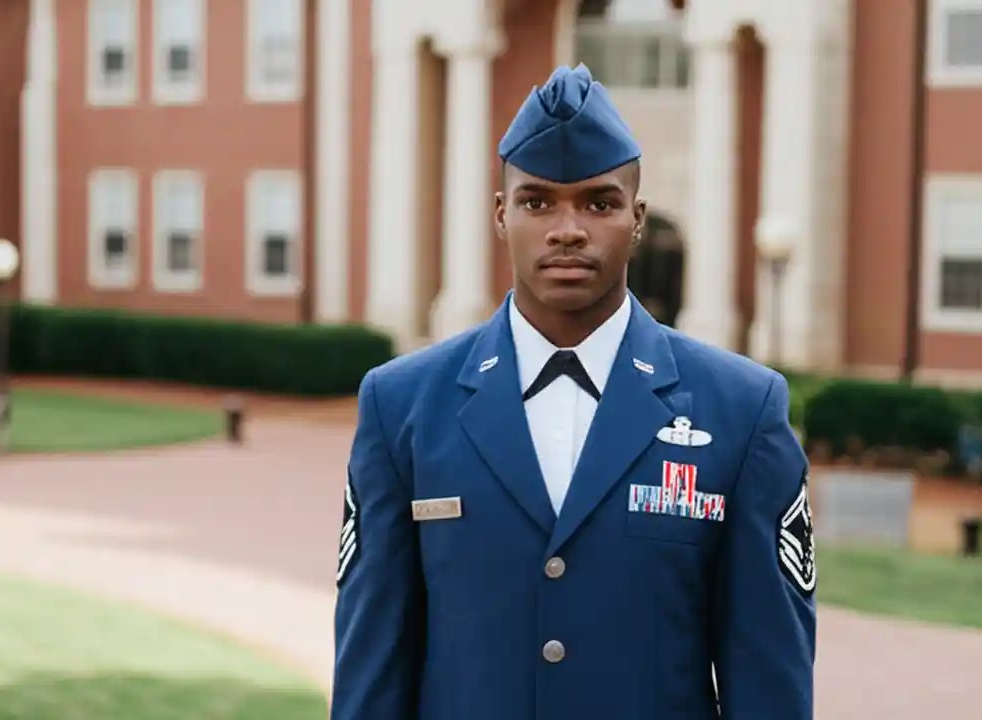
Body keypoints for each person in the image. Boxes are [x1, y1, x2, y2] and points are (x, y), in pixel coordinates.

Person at [331, 63, 816, 720]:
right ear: (502, 216)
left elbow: (770, 680)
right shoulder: (402, 407)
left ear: (637, 218)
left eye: (599, 202)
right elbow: (372, 668)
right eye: (537, 202)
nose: (568, 229)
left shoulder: (741, 411)